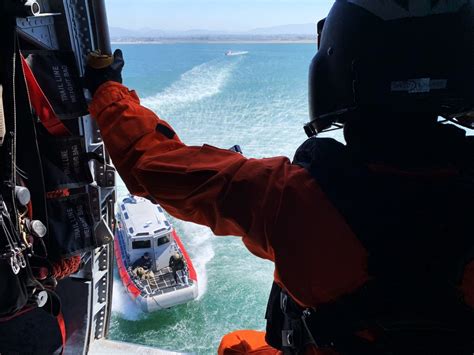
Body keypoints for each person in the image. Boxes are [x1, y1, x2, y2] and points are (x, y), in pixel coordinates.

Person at [84, 1, 474, 353]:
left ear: (336, 73)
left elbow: (155, 165)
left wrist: (108, 92)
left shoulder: (292, 198)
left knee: (234, 348)